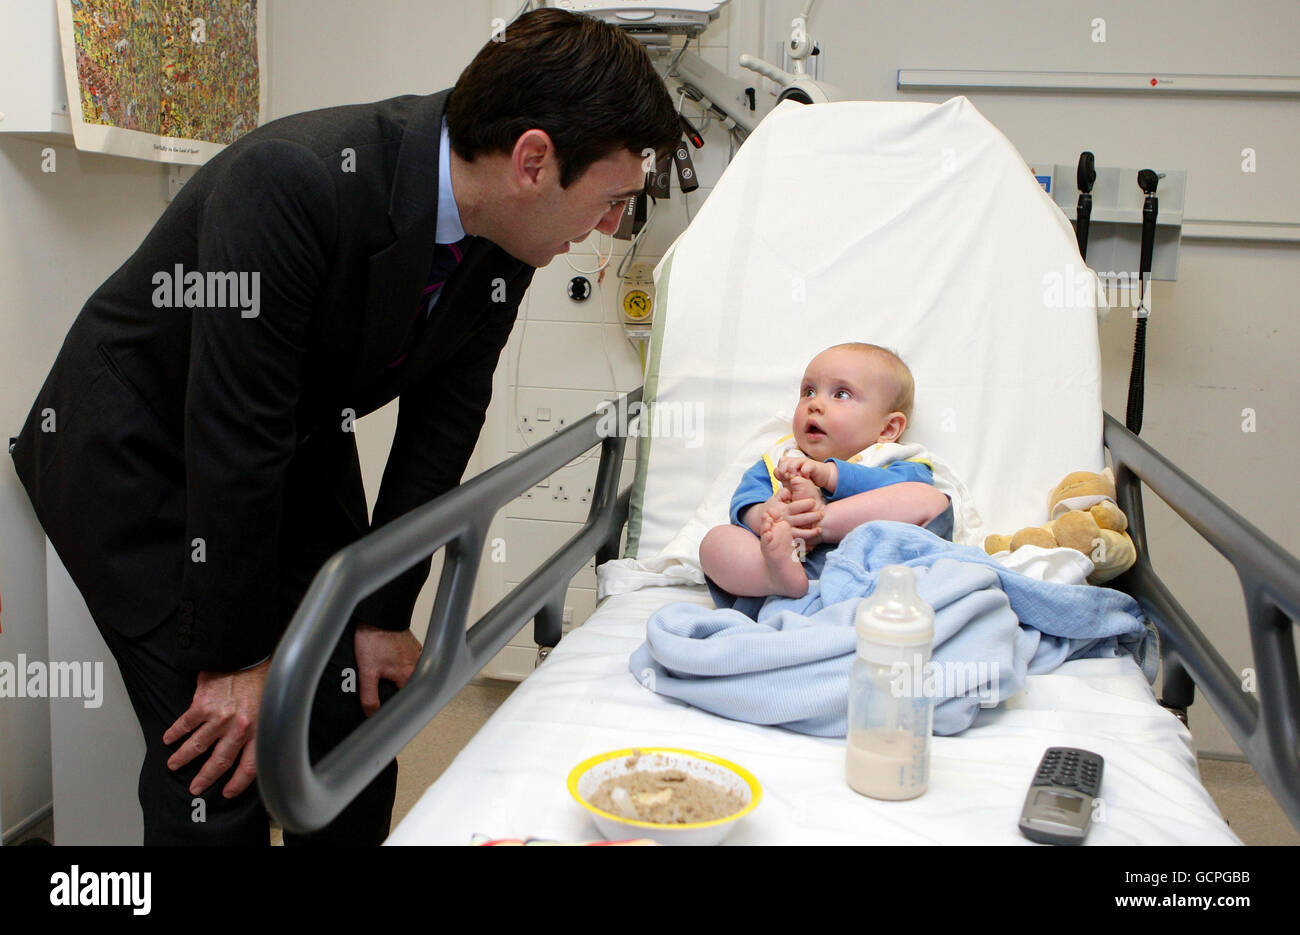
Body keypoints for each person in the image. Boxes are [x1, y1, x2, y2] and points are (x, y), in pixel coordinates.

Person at [8, 8, 680, 845]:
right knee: (226, 760)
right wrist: (241, 660)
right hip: (138, 449)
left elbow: (446, 418)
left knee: (361, 716)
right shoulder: (293, 180)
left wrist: (381, 614)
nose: (610, 229)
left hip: (282, 438)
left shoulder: (507, 234)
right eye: (611, 201)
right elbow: (231, 432)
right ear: (534, 161)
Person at [699, 343, 953, 606]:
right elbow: (743, 504)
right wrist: (769, 515)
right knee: (715, 542)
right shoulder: (782, 459)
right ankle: (775, 579)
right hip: (791, 567)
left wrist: (832, 475)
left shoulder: (892, 459)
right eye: (808, 391)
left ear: (888, 428)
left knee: (929, 498)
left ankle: (821, 523)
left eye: (841, 395)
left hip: (873, 572)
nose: (815, 404)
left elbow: (910, 492)